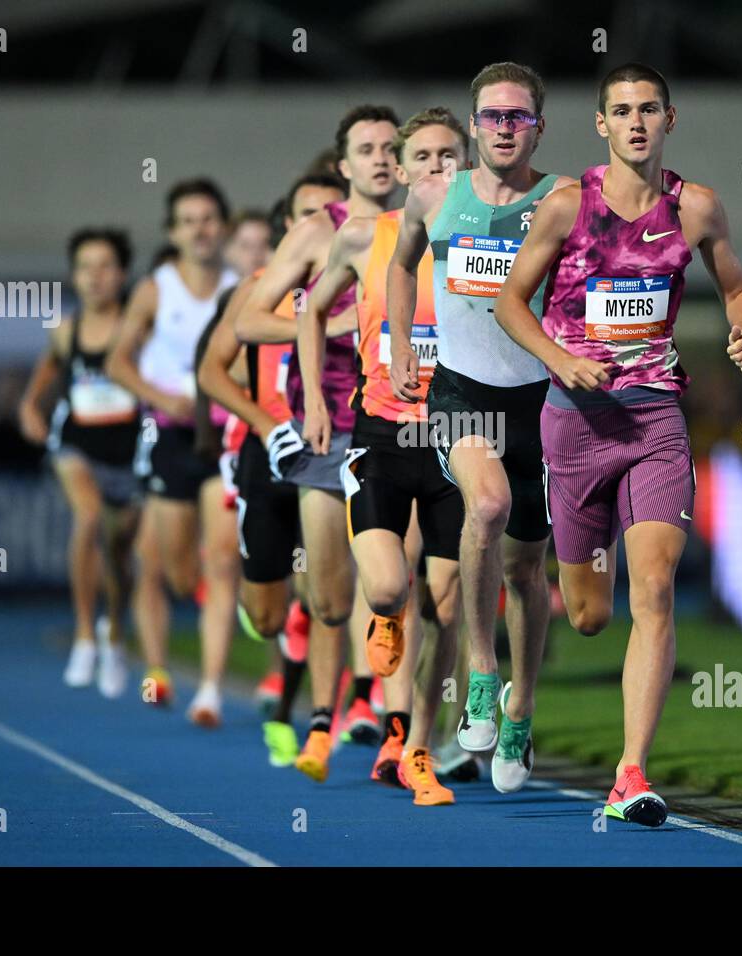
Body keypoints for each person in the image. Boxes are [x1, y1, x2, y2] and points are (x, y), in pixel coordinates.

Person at [493, 62, 742, 826]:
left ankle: (630, 773)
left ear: (669, 120)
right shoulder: (565, 207)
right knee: (586, 614)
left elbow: (737, 286)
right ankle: (523, 699)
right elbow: (511, 302)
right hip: (575, 421)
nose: (636, 122)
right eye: (621, 110)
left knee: (654, 587)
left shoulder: (698, 208)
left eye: (649, 109)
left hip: (654, 420)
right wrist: (561, 359)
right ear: (602, 126)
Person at [387, 63, 573, 793]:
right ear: (472, 126)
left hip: (541, 402)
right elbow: (403, 265)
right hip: (462, 391)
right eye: (491, 116)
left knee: (529, 570)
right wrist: (404, 343)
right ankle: (482, 675)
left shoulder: (563, 200)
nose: (503, 127)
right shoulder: (435, 194)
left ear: (537, 127)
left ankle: (521, 706)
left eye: (517, 117)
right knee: (485, 506)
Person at [301, 107, 470, 805]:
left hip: (458, 443)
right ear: (400, 170)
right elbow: (311, 312)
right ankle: (384, 625)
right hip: (380, 437)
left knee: (449, 605)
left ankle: (419, 748)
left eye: (449, 157)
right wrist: (314, 399)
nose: (436, 168)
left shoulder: (482, 241)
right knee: (385, 590)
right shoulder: (363, 237)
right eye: (423, 157)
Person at [235, 107, 401, 782]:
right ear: (345, 166)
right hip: (326, 425)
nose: (384, 160)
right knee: (330, 600)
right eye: (368, 149)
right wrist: (332, 325)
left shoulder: (427, 225)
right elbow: (249, 318)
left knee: (399, 582)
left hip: (402, 426)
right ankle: (330, 708)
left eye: (394, 148)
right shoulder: (317, 233)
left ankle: (392, 723)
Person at [198, 172, 347, 766]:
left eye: (325, 212)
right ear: (291, 226)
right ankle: (272, 619)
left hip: (331, 448)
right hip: (270, 450)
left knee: (326, 592)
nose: (315, 224)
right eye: (304, 213)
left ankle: (320, 718)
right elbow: (212, 371)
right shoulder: (261, 288)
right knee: (265, 616)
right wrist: (264, 425)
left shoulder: (360, 286)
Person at [105, 178, 238, 711]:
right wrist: (161, 395)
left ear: (222, 227)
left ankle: (208, 689)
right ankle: (157, 666)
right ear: (173, 232)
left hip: (222, 435)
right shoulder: (156, 288)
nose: (199, 229)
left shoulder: (240, 285)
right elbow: (117, 360)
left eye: (208, 218)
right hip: (170, 434)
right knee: (174, 568)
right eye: (188, 221)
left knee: (224, 558)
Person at [18, 227, 139, 698]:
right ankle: (85, 635)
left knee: (120, 550)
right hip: (77, 446)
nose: (95, 277)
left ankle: (114, 633)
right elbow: (46, 373)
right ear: (74, 275)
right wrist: (30, 408)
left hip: (131, 453)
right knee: (88, 518)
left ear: (122, 274)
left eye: (105, 267)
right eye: (86, 267)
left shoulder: (137, 325)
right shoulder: (65, 331)